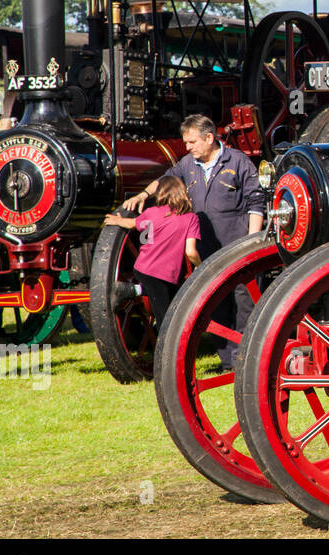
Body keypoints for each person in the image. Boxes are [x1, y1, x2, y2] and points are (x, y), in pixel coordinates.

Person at [124, 114, 265, 367]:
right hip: (206, 248)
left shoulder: (239, 162)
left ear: (209, 138)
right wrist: (143, 194)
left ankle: (248, 360)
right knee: (217, 301)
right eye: (186, 143)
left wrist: (253, 240)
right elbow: (166, 179)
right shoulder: (187, 164)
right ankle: (229, 361)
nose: (187, 147)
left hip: (237, 244)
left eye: (191, 142)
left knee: (245, 302)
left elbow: (256, 201)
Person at [104, 176, 201, 324]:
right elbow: (191, 252)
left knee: (168, 296)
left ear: (161, 193)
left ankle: (131, 290)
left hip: (142, 268)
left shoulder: (152, 212)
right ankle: (166, 345)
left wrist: (117, 220)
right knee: (165, 319)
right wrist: (200, 266)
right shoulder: (191, 218)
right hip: (163, 274)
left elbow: (134, 225)